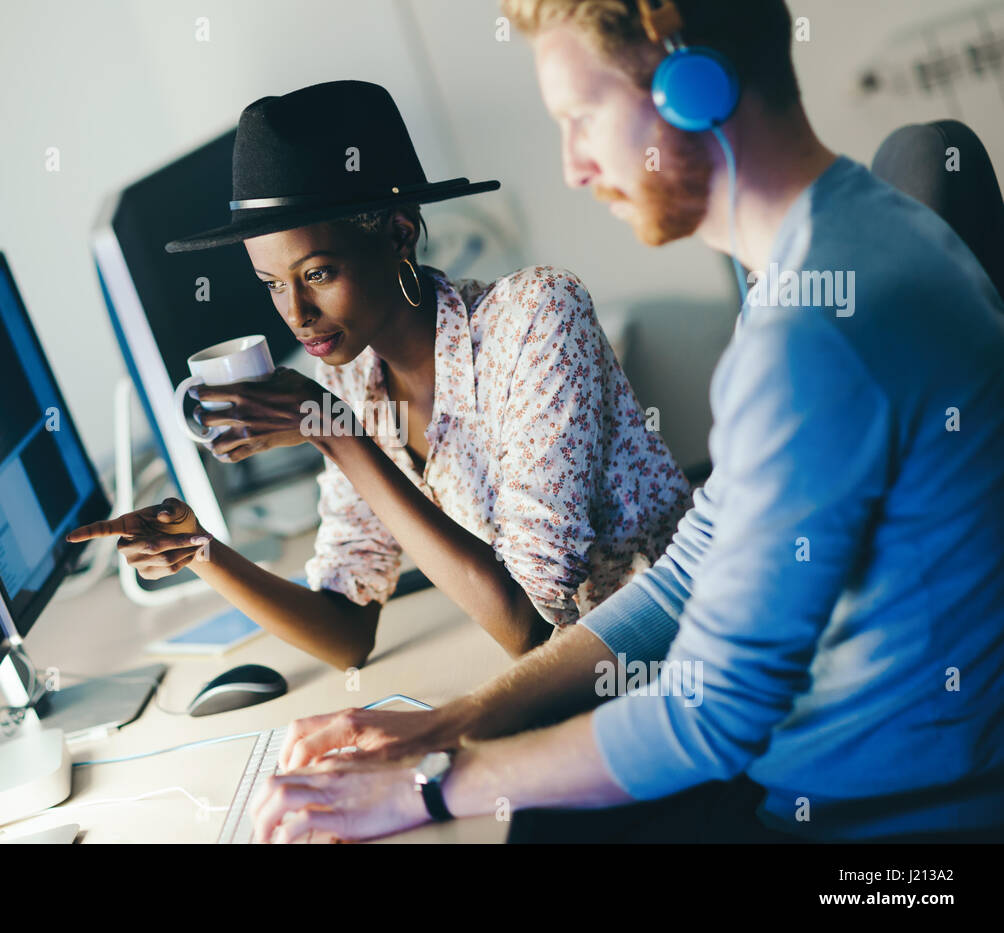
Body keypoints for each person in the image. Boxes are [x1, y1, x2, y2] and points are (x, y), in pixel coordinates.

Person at [250, 0, 1004, 843]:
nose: (572, 165)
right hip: (818, 778)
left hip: (877, 836)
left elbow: (712, 714)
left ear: (694, 87)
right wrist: (451, 721)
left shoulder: (817, 335)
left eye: (581, 117)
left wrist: (427, 784)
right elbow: (691, 574)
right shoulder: (827, 250)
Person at [68, 80, 690, 668]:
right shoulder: (350, 380)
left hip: (684, 657)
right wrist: (201, 550)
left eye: (316, 274)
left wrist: (337, 435)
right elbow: (347, 632)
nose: (296, 315)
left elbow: (531, 627)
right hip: (579, 685)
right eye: (271, 285)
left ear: (398, 233)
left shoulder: (535, 318)